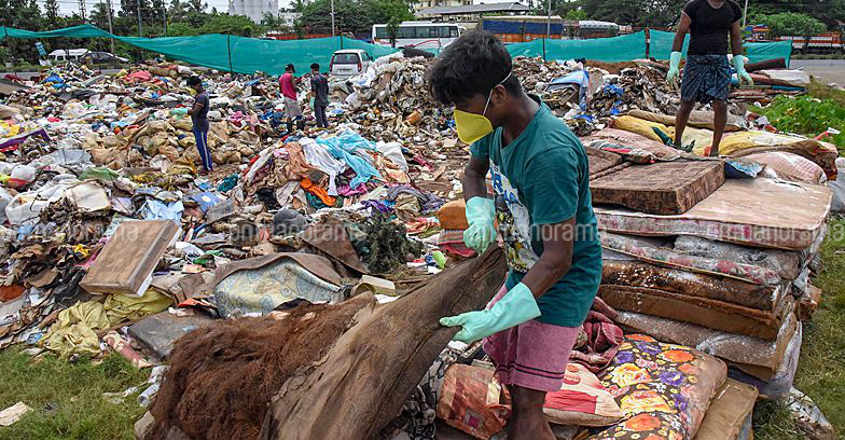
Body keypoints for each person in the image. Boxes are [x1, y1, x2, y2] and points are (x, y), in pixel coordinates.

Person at [428, 31, 602, 440]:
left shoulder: (549, 155)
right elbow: (473, 171)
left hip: (560, 282)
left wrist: (498, 314)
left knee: (527, 407)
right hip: (525, 267)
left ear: (499, 94)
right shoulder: (496, 127)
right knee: (509, 377)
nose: (460, 115)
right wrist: (479, 212)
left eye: (463, 105)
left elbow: (559, 258)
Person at [667, 0, 753, 156]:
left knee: (720, 103)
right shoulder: (694, 6)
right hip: (695, 60)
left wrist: (740, 67)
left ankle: (715, 149)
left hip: (719, 62)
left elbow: (735, 37)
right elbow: (680, 34)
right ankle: (676, 142)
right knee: (687, 102)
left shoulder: (732, 8)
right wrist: (674, 64)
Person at [185, 76, 212, 174]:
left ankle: (208, 167)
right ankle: (206, 165)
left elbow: (195, 112)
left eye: (192, 87)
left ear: (197, 85)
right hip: (198, 124)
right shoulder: (201, 95)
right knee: (201, 146)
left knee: (203, 146)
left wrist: (185, 111)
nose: (192, 89)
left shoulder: (201, 97)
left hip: (201, 125)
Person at [279, 63, 303, 132]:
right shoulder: (291, 76)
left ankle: (289, 130)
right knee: (299, 115)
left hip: (285, 98)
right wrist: (298, 88)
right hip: (291, 98)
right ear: (291, 69)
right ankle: (300, 130)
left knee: (289, 115)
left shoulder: (281, 77)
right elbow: (294, 87)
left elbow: (280, 89)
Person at [310, 63, 330, 128]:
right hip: (324, 99)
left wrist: (312, 101)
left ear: (312, 70)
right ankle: (327, 126)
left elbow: (314, 91)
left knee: (318, 115)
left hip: (318, 100)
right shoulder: (324, 77)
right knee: (323, 114)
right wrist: (325, 97)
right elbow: (327, 89)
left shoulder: (313, 79)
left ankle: (320, 128)